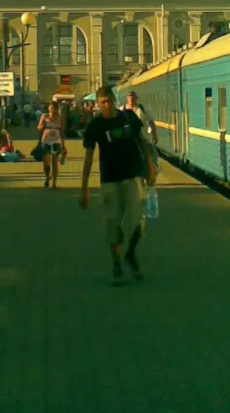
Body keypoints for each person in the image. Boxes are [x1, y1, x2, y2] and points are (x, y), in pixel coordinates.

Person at [80, 85, 156, 286]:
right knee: (112, 225)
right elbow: (88, 158)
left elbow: (143, 143)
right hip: (110, 181)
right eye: (103, 103)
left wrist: (150, 169)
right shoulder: (95, 126)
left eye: (110, 101)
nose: (107, 106)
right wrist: (84, 189)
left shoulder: (129, 118)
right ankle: (116, 264)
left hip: (133, 177)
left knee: (138, 222)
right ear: (98, 104)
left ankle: (130, 254)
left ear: (115, 100)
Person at [123, 91, 159, 176]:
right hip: (128, 141)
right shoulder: (122, 110)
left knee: (153, 155)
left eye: (133, 97)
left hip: (143, 138)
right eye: (129, 97)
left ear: (136, 98)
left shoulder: (142, 109)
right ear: (127, 99)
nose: (131, 99)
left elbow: (151, 122)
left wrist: (154, 135)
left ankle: (152, 171)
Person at [37, 101, 64, 189]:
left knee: (54, 161)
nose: (53, 110)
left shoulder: (60, 118)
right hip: (46, 140)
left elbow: (62, 131)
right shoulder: (44, 116)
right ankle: (47, 176)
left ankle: (54, 182)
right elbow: (39, 128)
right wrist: (42, 125)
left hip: (56, 141)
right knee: (46, 162)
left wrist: (63, 145)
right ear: (49, 108)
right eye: (51, 108)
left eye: (55, 108)